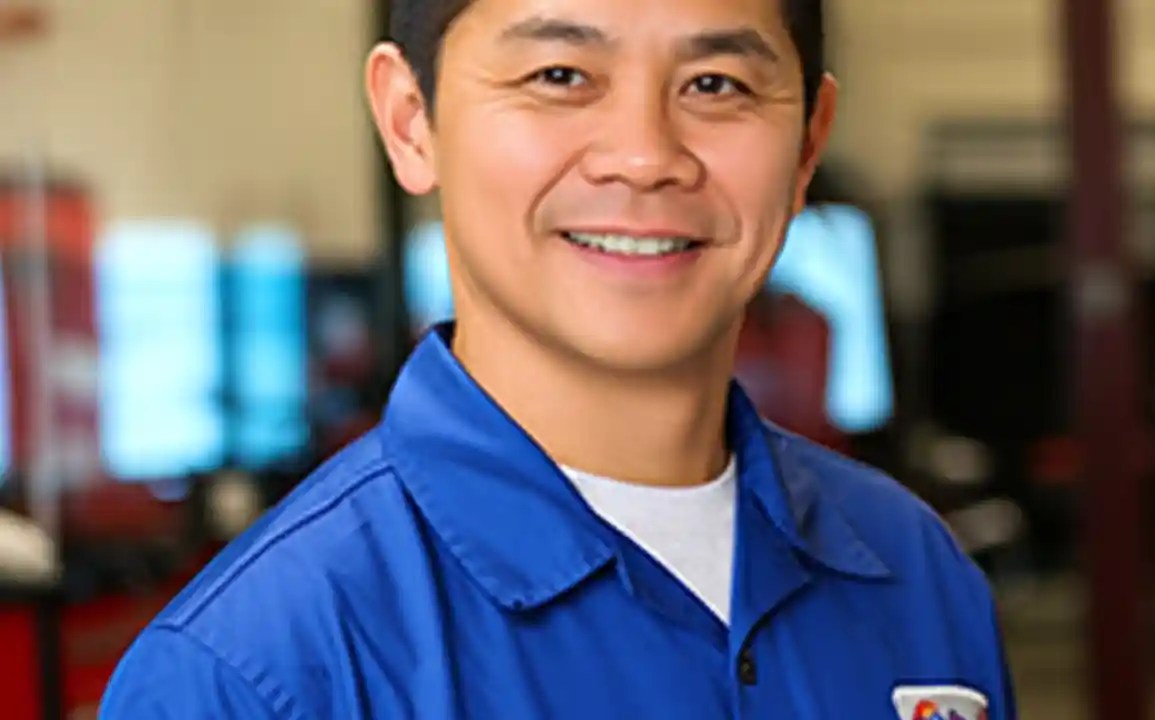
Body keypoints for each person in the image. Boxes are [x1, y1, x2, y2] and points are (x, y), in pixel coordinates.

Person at [101, 0, 1017, 717]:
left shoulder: (917, 576)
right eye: (560, 74)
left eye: (716, 85)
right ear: (412, 121)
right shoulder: (257, 672)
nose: (645, 157)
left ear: (809, 141)